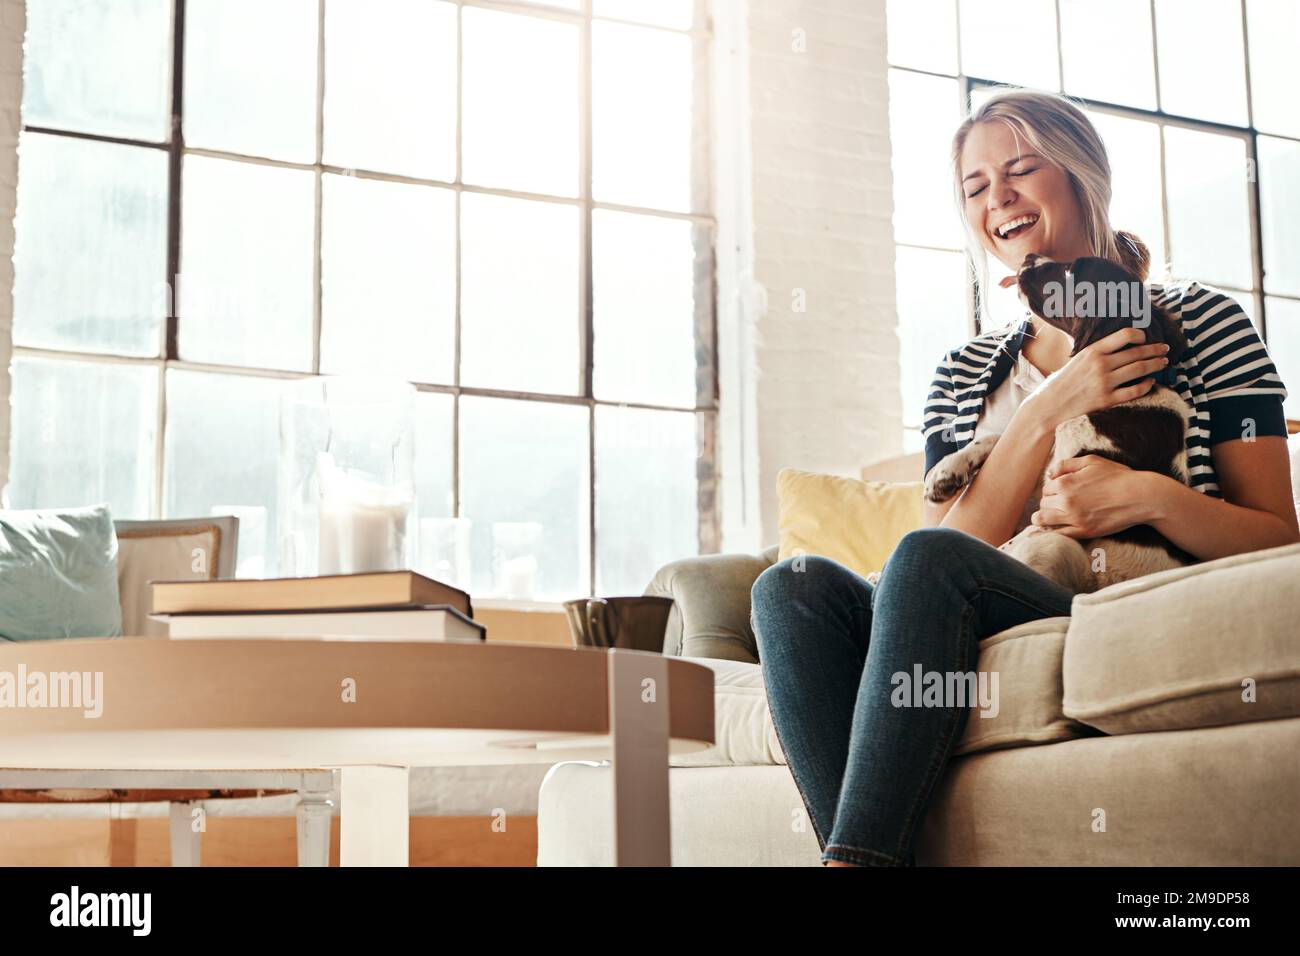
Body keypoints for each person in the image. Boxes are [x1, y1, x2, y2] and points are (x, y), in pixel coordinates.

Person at [751, 88, 1297, 867]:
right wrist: (1049, 409)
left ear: (1082, 178)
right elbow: (946, 548)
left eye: (1020, 171)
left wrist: (1151, 497)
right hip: (979, 596)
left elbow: (1280, 540)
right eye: (975, 188)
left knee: (925, 559)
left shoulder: (1200, 321)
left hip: (1109, 592)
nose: (997, 198)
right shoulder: (965, 370)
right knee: (789, 586)